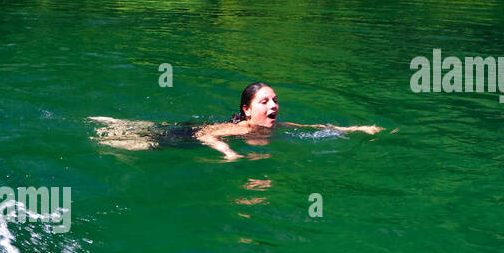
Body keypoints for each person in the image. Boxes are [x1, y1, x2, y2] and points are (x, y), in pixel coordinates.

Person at [90, 83, 384, 159]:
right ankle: (113, 128)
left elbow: (315, 129)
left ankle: (118, 124)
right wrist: (228, 151)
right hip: (183, 138)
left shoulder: (277, 128)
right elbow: (206, 136)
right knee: (135, 143)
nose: (274, 106)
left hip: (193, 133)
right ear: (247, 110)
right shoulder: (240, 128)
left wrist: (356, 128)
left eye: (275, 100)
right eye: (265, 102)